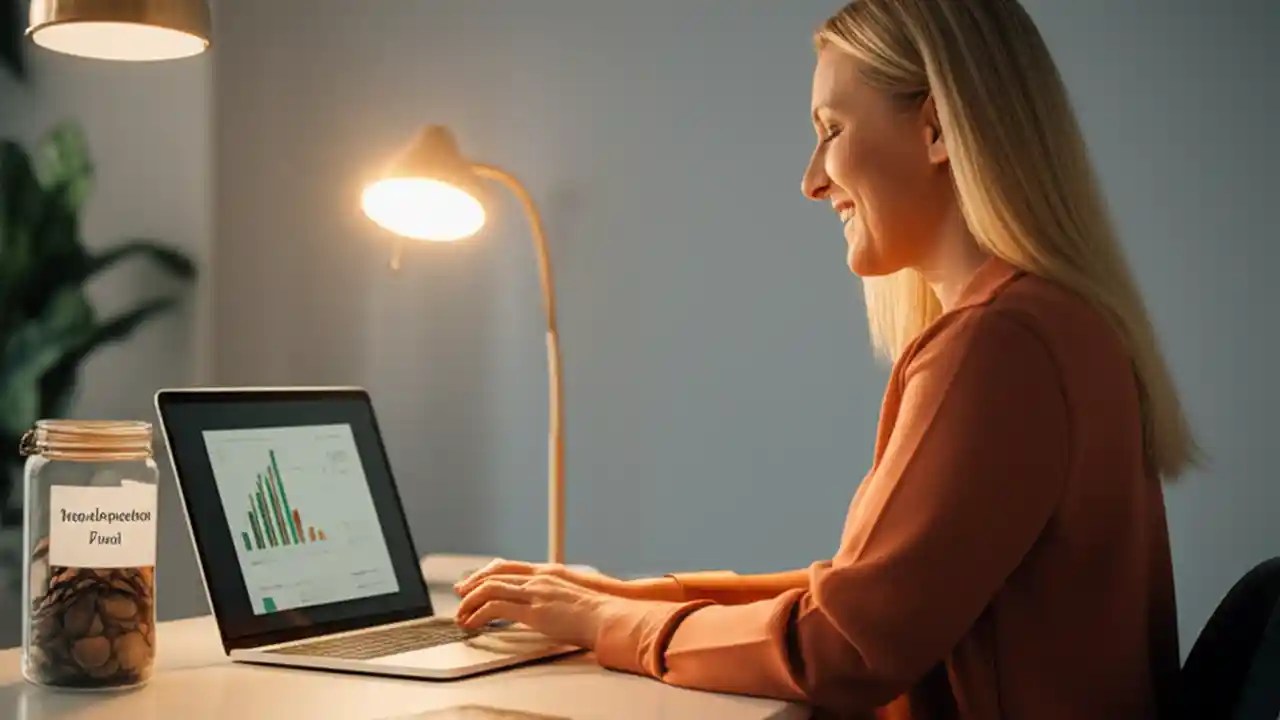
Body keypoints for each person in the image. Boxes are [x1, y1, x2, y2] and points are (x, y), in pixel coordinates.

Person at [454, 0, 1198, 717]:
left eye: (831, 130)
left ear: (937, 128)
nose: (812, 181)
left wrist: (605, 624)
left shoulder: (1000, 345)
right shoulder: (1061, 324)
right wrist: (627, 597)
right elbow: (858, 599)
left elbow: (839, 646)